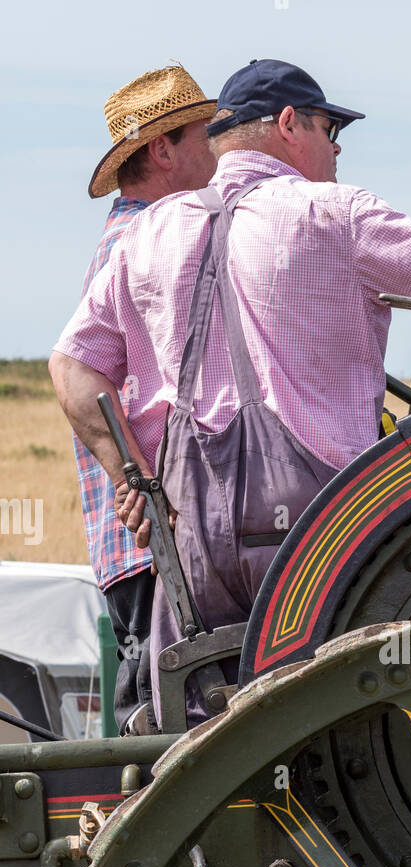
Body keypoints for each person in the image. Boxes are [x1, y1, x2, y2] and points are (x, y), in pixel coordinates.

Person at [49, 59, 411, 729]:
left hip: (192, 530)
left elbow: (71, 367)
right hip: (321, 526)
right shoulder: (334, 214)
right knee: (346, 726)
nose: (338, 145)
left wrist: (136, 480)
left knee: (198, 738)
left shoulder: (151, 231)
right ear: (289, 125)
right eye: (330, 126)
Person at [69, 64, 216, 734]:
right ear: (163, 149)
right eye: (207, 135)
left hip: (139, 551)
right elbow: (77, 377)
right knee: (161, 737)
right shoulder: (146, 241)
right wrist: (143, 487)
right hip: (154, 550)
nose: (220, 151)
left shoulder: (127, 236)